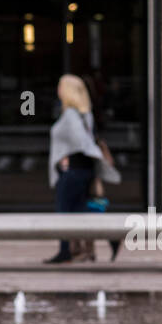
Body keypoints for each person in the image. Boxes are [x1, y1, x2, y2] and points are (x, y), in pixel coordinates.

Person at [43, 75, 104, 265]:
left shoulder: (70, 114)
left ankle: (65, 251)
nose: (58, 90)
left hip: (73, 171)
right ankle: (82, 247)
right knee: (78, 210)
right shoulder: (85, 113)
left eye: (60, 86)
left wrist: (66, 156)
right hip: (84, 170)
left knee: (64, 212)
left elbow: (80, 141)